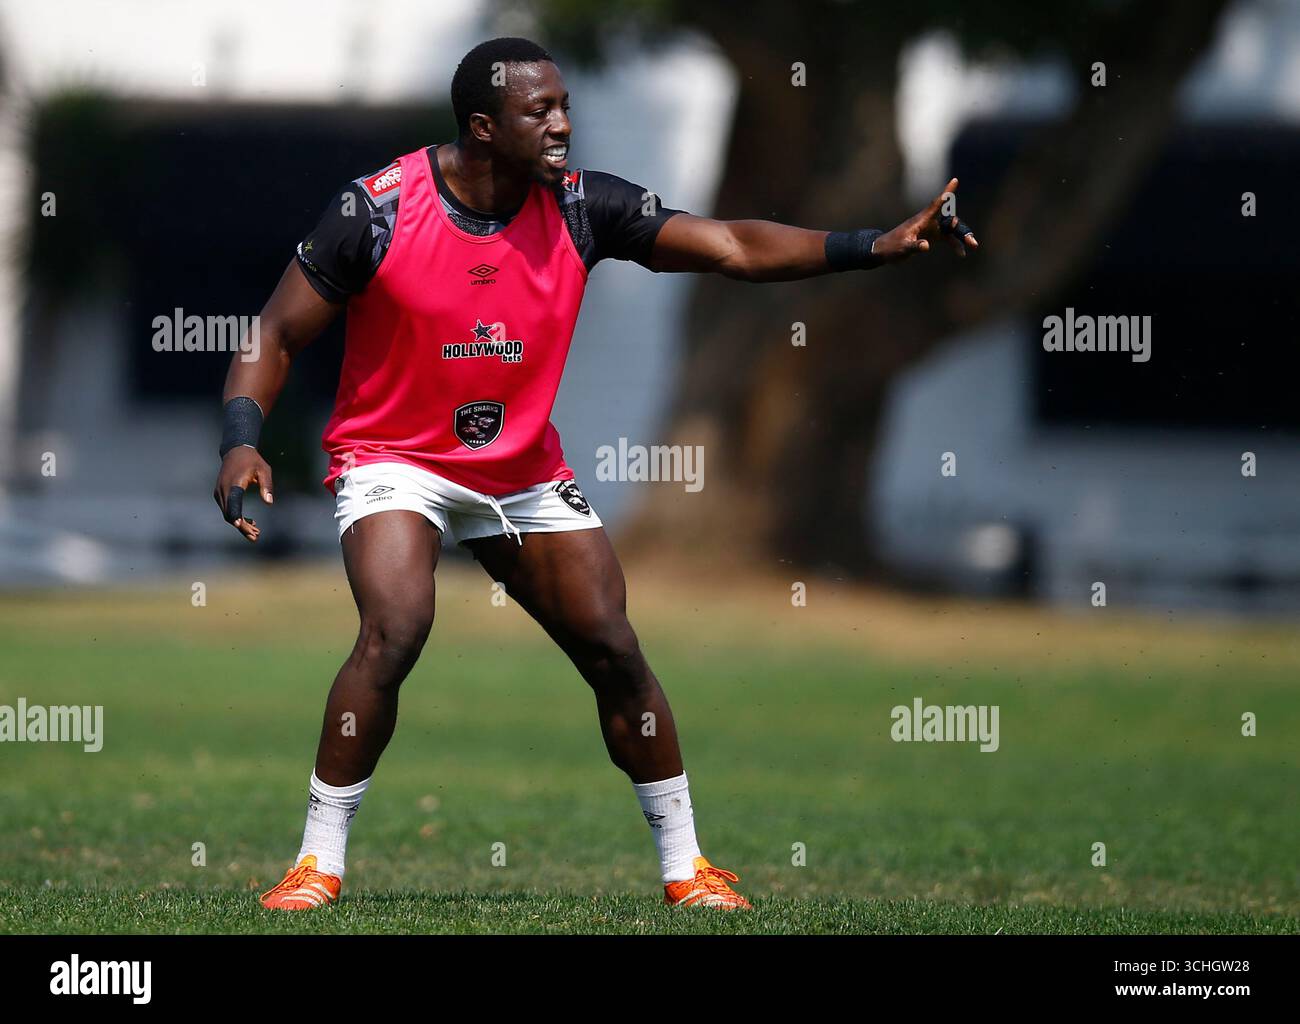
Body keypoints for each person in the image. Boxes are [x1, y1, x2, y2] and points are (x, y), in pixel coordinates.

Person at [214, 36, 978, 912]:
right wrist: (242, 438)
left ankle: (688, 869)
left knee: (614, 648)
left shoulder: (585, 208)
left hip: (522, 469)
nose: (563, 125)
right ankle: (317, 863)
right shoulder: (376, 210)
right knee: (395, 627)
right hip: (396, 458)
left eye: (565, 105)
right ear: (482, 127)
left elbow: (729, 243)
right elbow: (272, 334)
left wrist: (871, 246)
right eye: (539, 111)